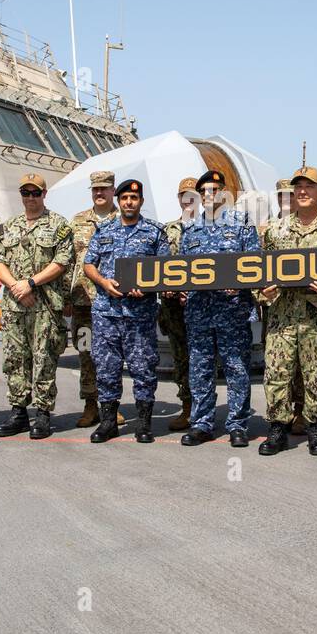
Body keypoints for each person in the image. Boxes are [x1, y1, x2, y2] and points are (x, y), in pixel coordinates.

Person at [257, 166, 317, 457]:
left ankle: (315, 429)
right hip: (282, 317)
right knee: (276, 374)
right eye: (298, 186)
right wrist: (263, 293)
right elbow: (255, 271)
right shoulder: (275, 230)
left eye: (309, 186)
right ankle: (277, 429)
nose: (302, 191)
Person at [81, 179, 172, 443]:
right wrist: (103, 282)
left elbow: (166, 271)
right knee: (107, 368)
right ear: (118, 201)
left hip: (139, 315)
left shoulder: (154, 233)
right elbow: (89, 265)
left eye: (134, 197)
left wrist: (148, 288)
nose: (129, 202)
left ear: (141, 201)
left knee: (143, 368)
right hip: (106, 313)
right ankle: (108, 422)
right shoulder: (104, 230)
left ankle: (143, 424)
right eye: (124, 198)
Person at [178, 169, 261, 447]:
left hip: (232, 312)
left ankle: (237, 424)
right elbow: (181, 269)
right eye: (204, 191)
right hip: (199, 311)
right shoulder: (190, 228)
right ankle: (202, 423)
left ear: (224, 192)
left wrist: (240, 286)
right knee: (200, 368)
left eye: (214, 189)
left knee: (236, 368)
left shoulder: (242, 224)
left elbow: (255, 265)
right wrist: (180, 290)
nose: (209, 194)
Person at [0, 174, 74, 440]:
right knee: (15, 359)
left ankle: (42, 414)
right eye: (26, 193)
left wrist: (30, 284)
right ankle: (18, 412)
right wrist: (16, 286)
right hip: (15, 307)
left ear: (44, 194)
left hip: (45, 306)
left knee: (43, 359)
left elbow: (61, 262)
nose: (30, 198)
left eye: (35, 193)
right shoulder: (8, 226)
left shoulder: (59, 225)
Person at [68, 170, 119, 429]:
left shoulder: (125, 220)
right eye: (95, 189)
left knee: (112, 354)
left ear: (113, 190)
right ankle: (90, 404)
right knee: (86, 351)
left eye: (104, 188)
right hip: (83, 302)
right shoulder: (78, 221)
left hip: (114, 302)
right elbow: (68, 260)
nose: (99, 193)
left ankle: (112, 405)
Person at [262, 177, 307, 434]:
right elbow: (256, 270)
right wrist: (262, 295)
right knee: (278, 364)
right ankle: (281, 413)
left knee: (302, 364)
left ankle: (300, 412)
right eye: (282, 196)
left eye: (291, 195)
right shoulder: (268, 229)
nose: (286, 200)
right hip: (276, 308)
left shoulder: (308, 225)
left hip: (304, 308)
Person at [160, 177, 198, 433]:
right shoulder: (167, 230)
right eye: (184, 195)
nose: (188, 199)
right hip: (174, 308)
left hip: (202, 307)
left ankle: (202, 409)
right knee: (181, 359)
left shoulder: (210, 228)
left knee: (202, 359)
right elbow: (158, 265)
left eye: (192, 195)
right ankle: (187, 407)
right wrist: (170, 288)